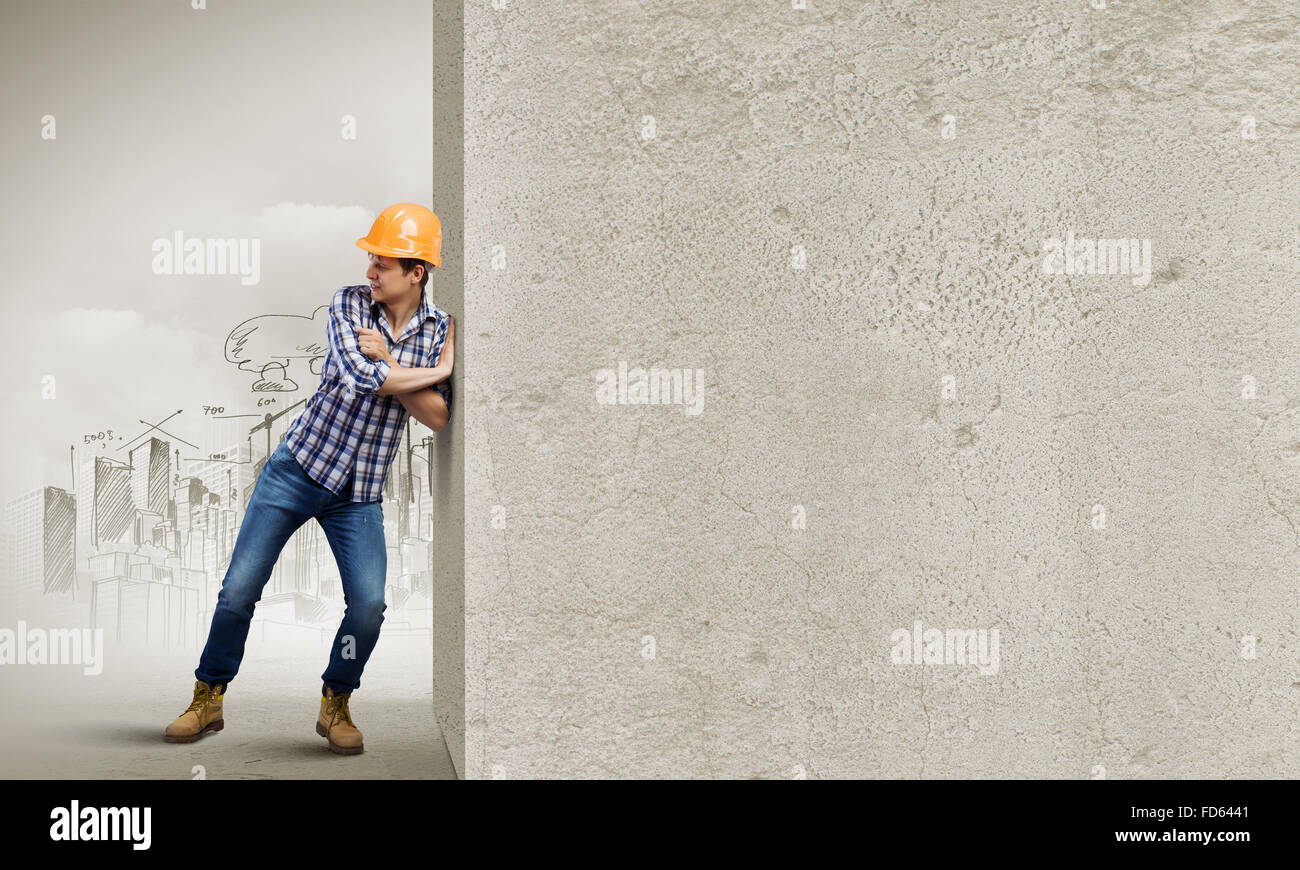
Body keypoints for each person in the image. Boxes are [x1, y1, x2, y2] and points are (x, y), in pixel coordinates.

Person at [164, 203, 455, 755]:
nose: (370, 271)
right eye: (370, 261)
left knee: (368, 606)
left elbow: (438, 416)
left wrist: (391, 359)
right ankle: (208, 696)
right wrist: (431, 372)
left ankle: (336, 701)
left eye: (382, 264)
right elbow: (358, 377)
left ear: (416, 272)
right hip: (297, 471)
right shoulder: (348, 303)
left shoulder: (439, 329)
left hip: (359, 494)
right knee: (238, 592)